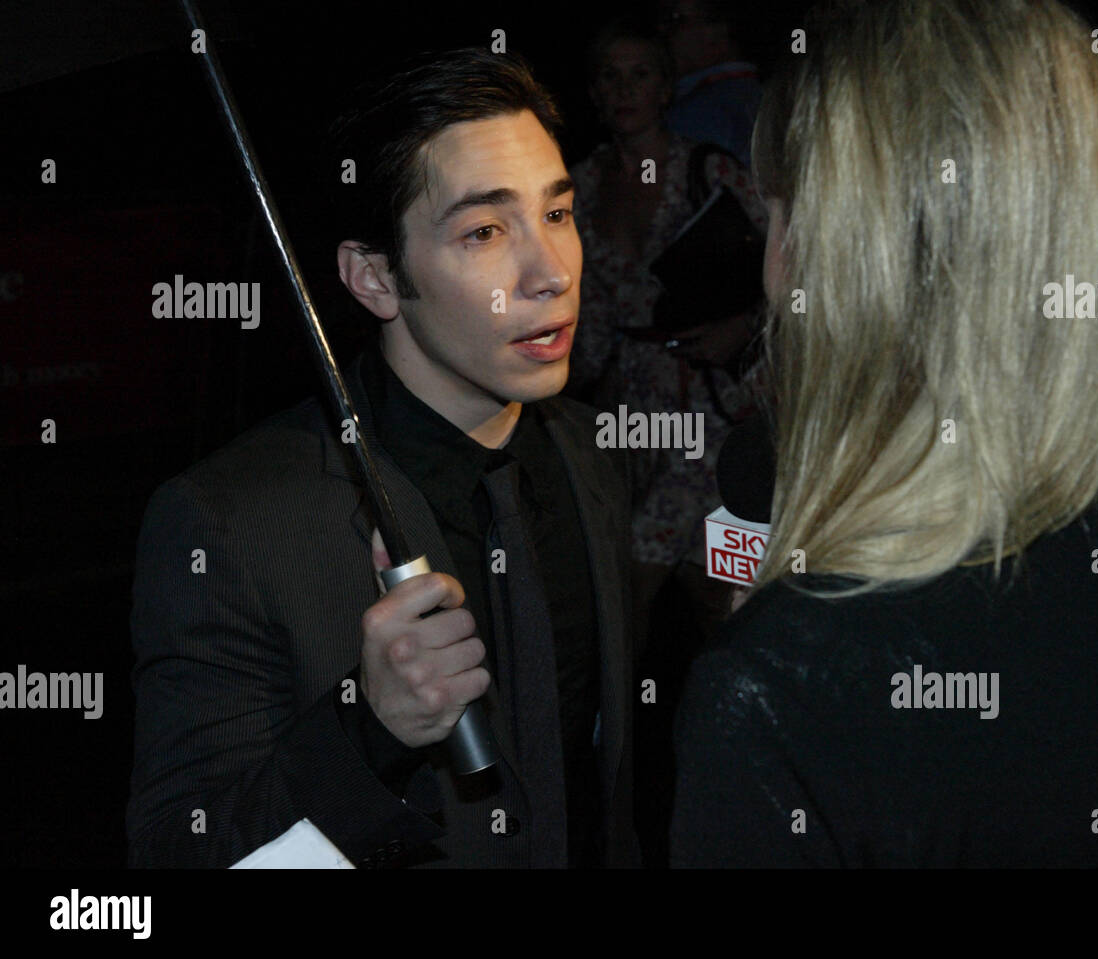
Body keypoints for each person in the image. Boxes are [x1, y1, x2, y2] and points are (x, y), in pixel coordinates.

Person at [671, 0, 1098, 867]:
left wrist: (796, 654)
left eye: (779, 208)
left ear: (841, 259)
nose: (770, 270)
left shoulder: (779, 685)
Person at [127, 49, 639, 869]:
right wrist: (369, 732)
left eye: (557, 213)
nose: (551, 274)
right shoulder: (228, 525)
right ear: (374, 278)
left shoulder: (591, 454)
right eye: (484, 231)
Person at [569, 19, 768, 650]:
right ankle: (643, 734)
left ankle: (741, 719)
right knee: (687, 590)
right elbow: (591, 322)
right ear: (594, 92)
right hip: (627, 415)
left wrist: (744, 324)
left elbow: (804, 270)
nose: (625, 90)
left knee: (707, 584)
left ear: (666, 89)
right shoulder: (578, 187)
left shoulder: (709, 170)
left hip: (714, 408)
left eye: (642, 74)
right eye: (610, 76)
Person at [657, 0, 762, 166]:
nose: (660, 30)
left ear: (716, 31)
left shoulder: (692, 115)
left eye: (673, 19)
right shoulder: (767, 97)